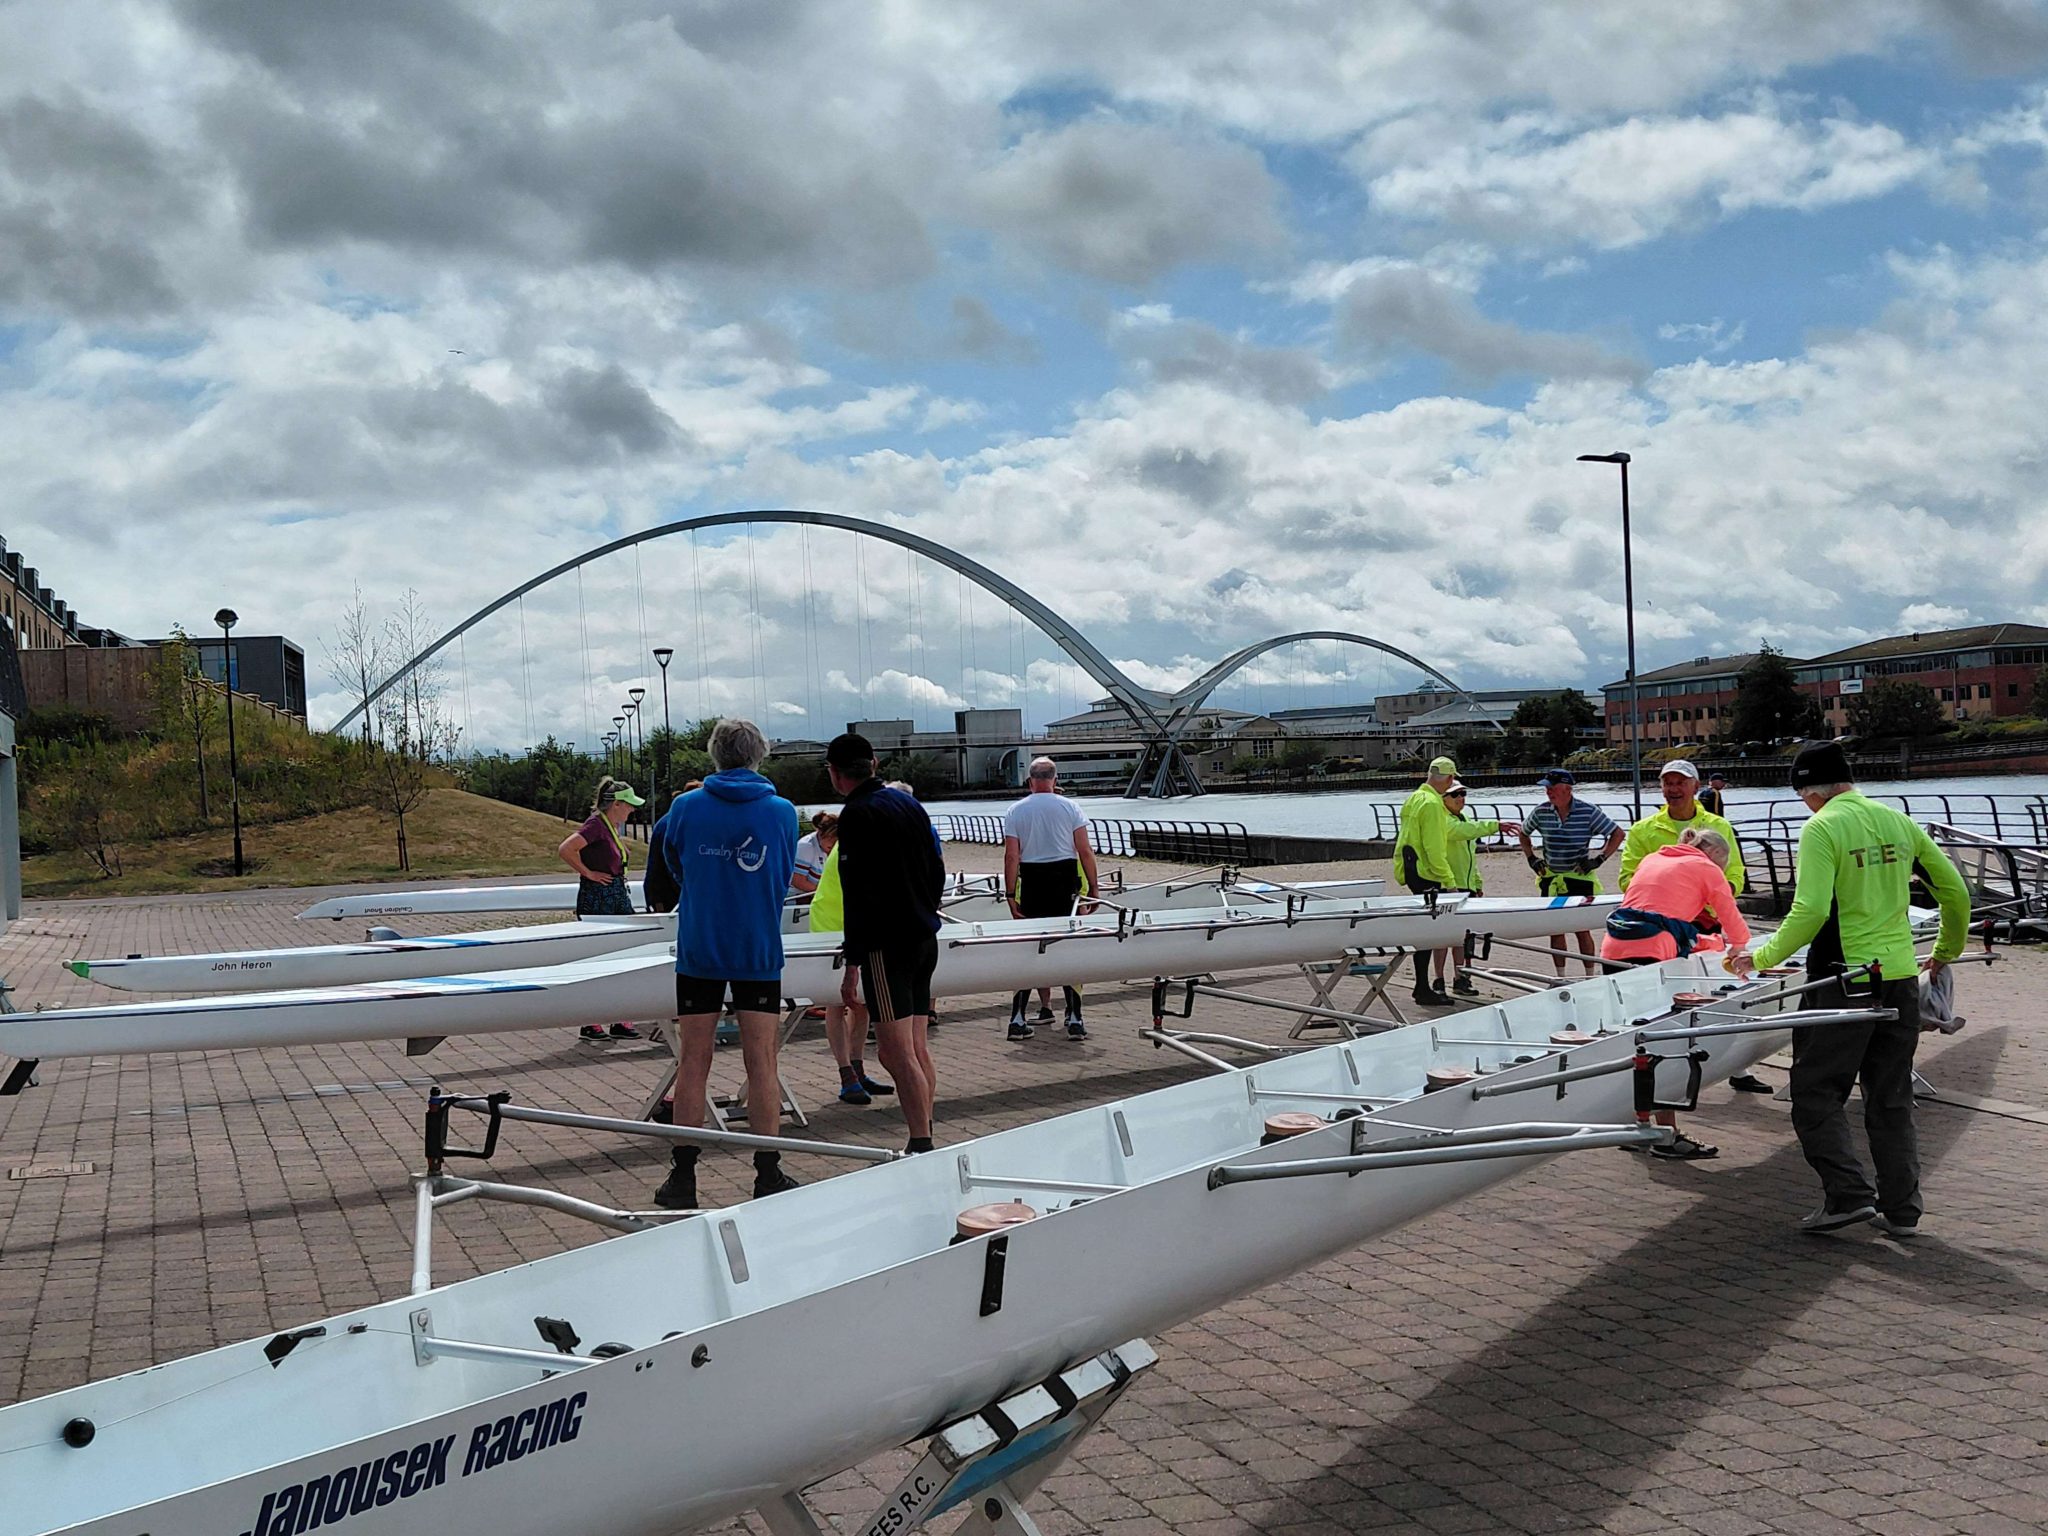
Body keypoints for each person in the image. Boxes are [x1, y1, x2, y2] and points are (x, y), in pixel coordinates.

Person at [1733, 742, 1970, 1236]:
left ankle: (1847, 1195)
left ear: (1809, 792)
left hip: (1844, 979)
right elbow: (1956, 892)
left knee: (1815, 1092)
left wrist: (1759, 957)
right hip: (1901, 979)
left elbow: (1811, 911)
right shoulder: (1898, 821)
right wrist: (1945, 951)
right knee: (1891, 1096)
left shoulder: (1822, 827)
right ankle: (1902, 1209)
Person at [649, 720, 800, 1210]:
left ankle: (683, 1176)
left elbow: (674, 863)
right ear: (760, 755)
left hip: (701, 945)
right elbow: (780, 875)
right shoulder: (781, 812)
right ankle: (767, 1170)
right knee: (762, 1061)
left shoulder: (685, 807)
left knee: (694, 1060)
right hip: (757, 948)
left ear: (714, 755)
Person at [1602, 827, 1753, 1160]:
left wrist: (1709, 942)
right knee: (1663, 1043)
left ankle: (1640, 1125)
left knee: (1635, 1039)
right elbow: (1732, 920)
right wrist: (1742, 956)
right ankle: (1666, 1136)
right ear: (1715, 855)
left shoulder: (1654, 858)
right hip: (1653, 951)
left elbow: (1670, 913)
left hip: (1614, 946)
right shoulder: (1707, 868)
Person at [828, 732, 946, 1154]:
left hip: (887, 945)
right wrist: (926, 909)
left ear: (835, 775)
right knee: (916, 1046)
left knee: (895, 1055)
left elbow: (858, 892)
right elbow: (937, 866)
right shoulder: (908, 803)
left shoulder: (857, 814)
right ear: (873, 763)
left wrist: (854, 961)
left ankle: (920, 1142)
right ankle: (925, 1126)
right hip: (923, 935)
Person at [1617, 760, 1766, 1091]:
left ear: (1694, 786)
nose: (1673, 788)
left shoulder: (1716, 825)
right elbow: (1628, 877)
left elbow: (1734, 873)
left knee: (1720, 991)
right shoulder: (1644, 830)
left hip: (1706, 921)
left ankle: (1735, 1066)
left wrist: (1707, 906)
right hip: (1661, 929)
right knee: (1669, 995)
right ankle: (1668, 1070)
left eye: (1679, 782)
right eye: (1667, 782)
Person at [1001, 757, 1101, 1040]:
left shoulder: (1016, 811)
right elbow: (1085, 850)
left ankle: (1018, 1017)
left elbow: (1011, 856)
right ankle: (1074, 1016)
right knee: (1069, 947)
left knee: (1029, 949)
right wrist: (1094, 887)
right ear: (1054, 779)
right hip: (1065, 878)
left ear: (1030, 780)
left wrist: (1010, 893)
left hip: (1032, 881)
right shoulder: (1070, 807)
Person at [804, 824, 893, 1107]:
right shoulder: (856, 845)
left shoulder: (872, 841)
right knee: (837, 1001)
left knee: (861, 1001)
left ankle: (857, 1069)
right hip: (832, 923)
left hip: (855, 922)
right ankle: (846, 1074)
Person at [558, 776, 646, 1039]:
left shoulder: (611, 826)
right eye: (628, 805)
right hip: (599, 898)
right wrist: (589, 873)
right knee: (600, 958)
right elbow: (566, 849)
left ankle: (619, 1017)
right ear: (616, 804)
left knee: (624, 956)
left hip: (616, 895)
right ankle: (591, 1020)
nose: (632, 810)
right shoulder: (596, 824)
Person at [1517, 769, 1624, 979]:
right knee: (1556, 929)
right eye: (1546, 788)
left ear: (1567, 788)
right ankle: (1561, 977)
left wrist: (1598, 859)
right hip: (1551, 877)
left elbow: (1617, 834)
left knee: (1581, 929)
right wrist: (1531, 857)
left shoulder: (1588, 811)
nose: (1548, 792)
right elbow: (1523, 832)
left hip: (1579, 878)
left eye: (1553, 787)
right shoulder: (1541, 812)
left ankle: (1589, 976)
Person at [1392, 755, 1460, 1008]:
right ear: (1450, 778)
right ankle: (1422, 988)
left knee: (1423, 930)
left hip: (1410, 868)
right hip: (1427, 873)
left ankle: (1422, 985)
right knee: (1428, 932)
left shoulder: (1414, 798)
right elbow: (1434, 847)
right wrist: (1449, 881)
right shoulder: (1432, 803)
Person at [1441, 783, 1508, 998]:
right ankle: (1437, 979)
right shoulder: (1442, 820)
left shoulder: (1465, 818)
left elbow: (1471, 855)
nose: (1461, 798)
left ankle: (1461, 978)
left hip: (1466, 883)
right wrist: (1494, 826)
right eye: (1455, 795)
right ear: (1443, 798)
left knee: (1464, 936)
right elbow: (1460, 833)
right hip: (1447, 883)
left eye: (1463, 794)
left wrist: (1477, 883)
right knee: (1441, 937)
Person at [791, 810, 835, 897]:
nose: (833, 849)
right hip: (798, 898)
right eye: (830, 847)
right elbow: (798, 881)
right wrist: (829, 893)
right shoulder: (806, 846)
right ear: (821, 834)